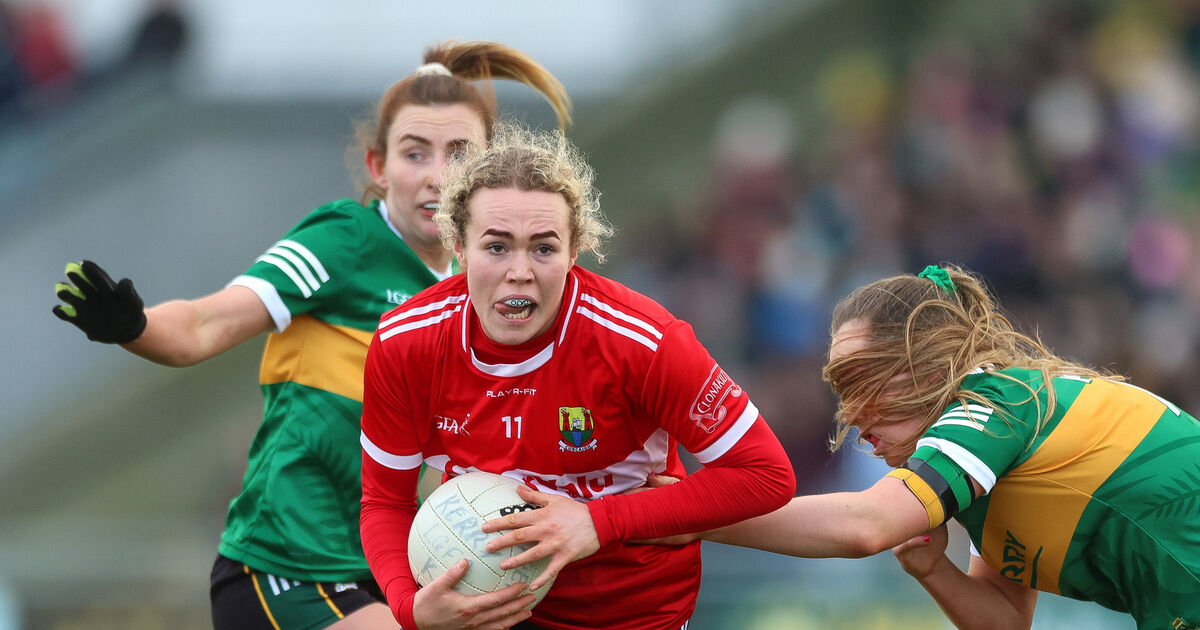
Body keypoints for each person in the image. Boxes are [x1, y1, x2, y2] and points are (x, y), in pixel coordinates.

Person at [51, 41, 572, 630]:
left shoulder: (482, 289)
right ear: (378, 167)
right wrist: (135, 327)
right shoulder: (344, 240)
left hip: (386, 574)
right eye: (414, 153)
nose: (436, 176)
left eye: (459, 153)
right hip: (286, 570)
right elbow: (203, 324)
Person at [358, 122, 797, 630]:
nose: (520, 271)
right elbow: (384, 501)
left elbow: (765, 475)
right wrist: (409, 609)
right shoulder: (406, 342)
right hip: (489, 616)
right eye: (496, 246)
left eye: (543, 248)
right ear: (458, 245)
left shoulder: (645, 342)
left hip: (635, 614)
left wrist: (597, 521)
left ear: (574, 251)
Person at [666, 264, 1200, 630]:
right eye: (842, 391)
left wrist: (694, 514)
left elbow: (867, 525)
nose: (850, 414)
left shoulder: (991, 405)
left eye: (863, 380)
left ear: (926, 364)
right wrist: (934, 571)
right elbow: (1006, 620)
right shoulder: (992, 454)